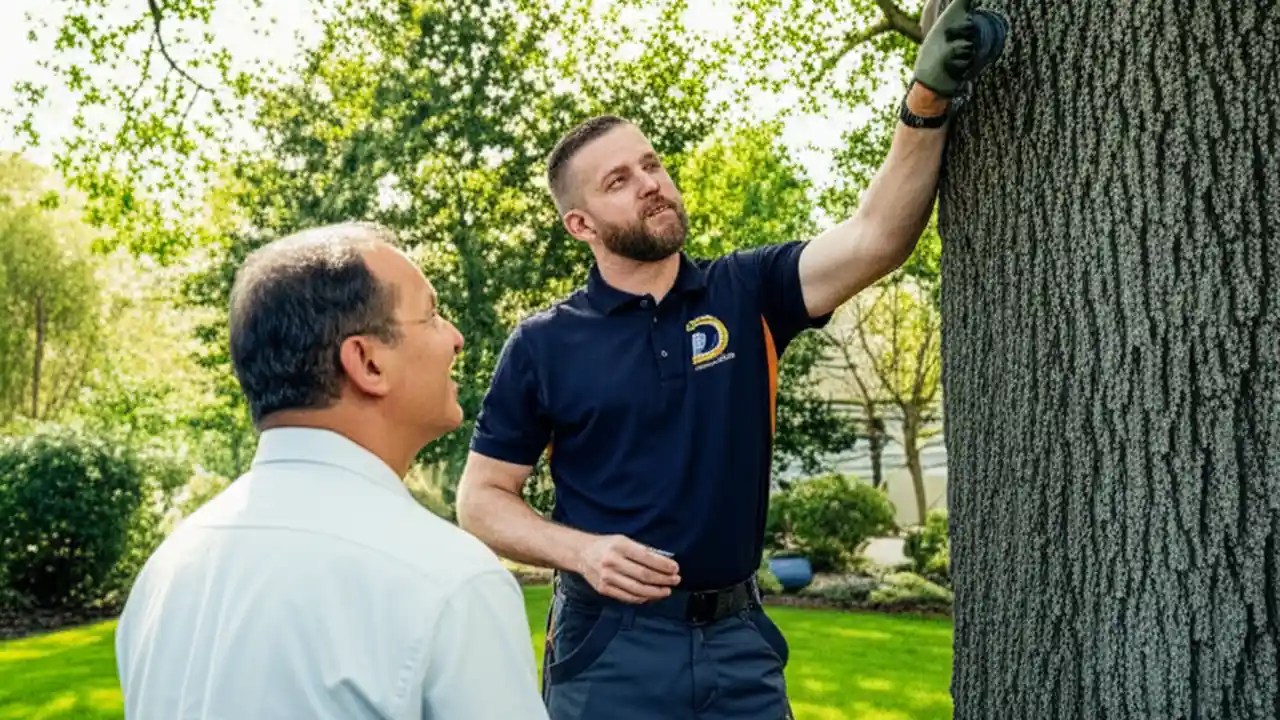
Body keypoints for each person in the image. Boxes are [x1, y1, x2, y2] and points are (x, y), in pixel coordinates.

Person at [455, 1, 1007, 718]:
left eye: (651, 164)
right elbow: (481, 500)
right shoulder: (544, 343)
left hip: (739, 640)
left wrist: (924, 100)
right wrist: (582, 552)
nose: (650, 181)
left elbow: (877, 238)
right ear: (580, 224)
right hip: (608, 643)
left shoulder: (748, 290)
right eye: (619, 180)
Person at [115, 222, 549, 719]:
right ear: (367, 363)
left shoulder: (167, 571)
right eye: (431, 315)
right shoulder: (448, 580)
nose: (456, 338)